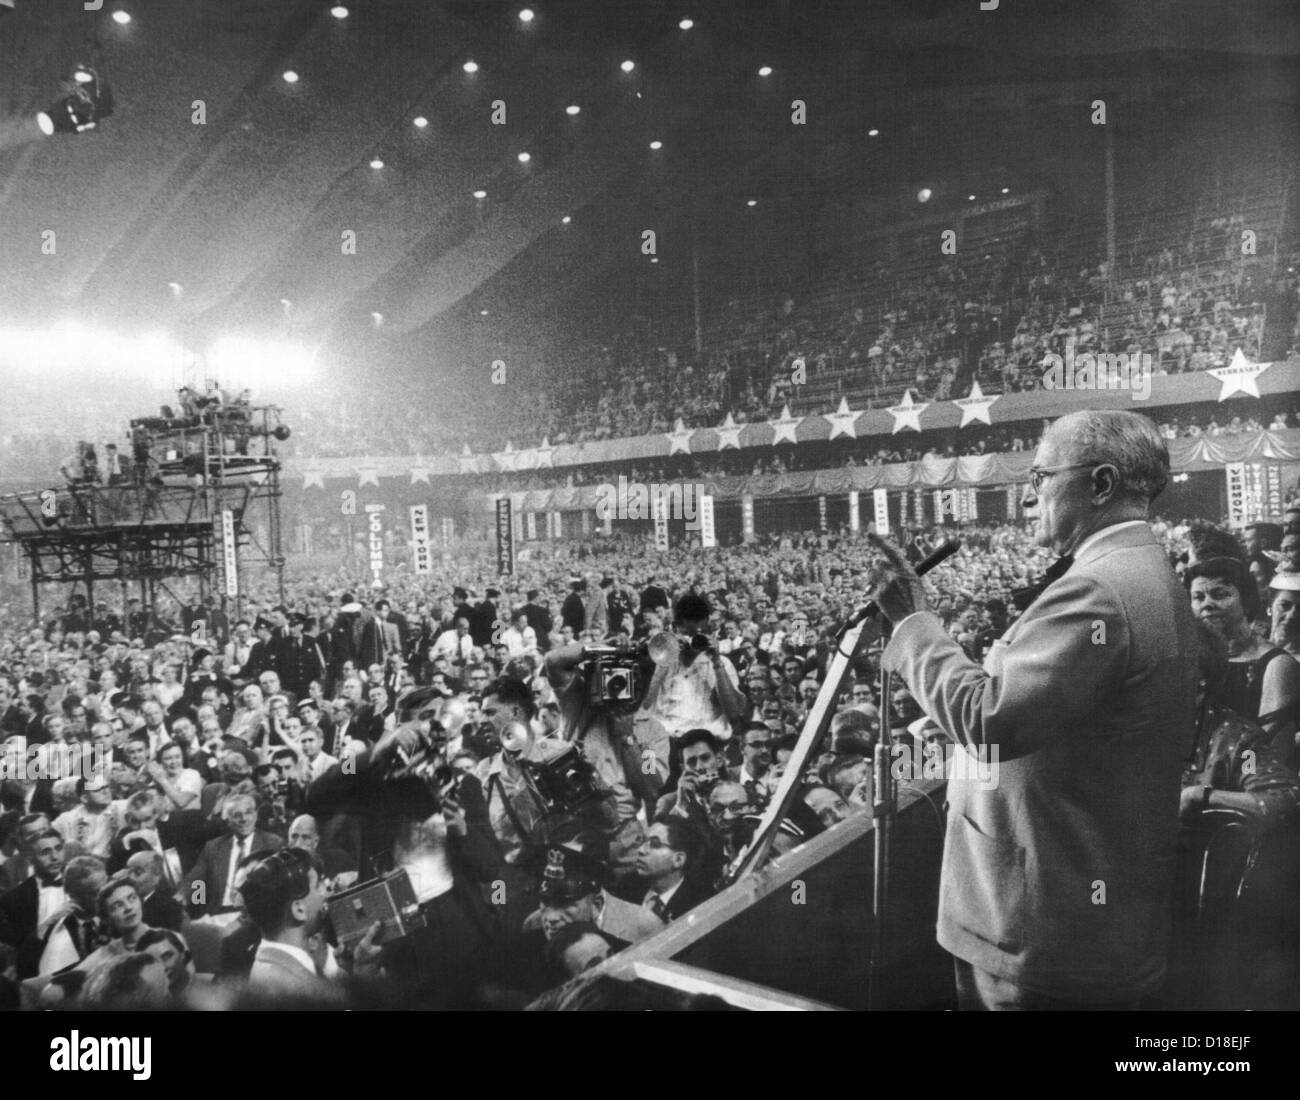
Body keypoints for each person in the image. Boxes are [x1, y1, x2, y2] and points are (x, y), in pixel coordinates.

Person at [866, 409, 1199, 1009]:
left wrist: (914, 624)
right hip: (1087, 910)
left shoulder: (1098, 589)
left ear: (1099, 484)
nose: (1029, 495)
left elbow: (990, 721)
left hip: (1044, 928)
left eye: (1042, 475)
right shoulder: (1143, 571)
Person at [1187, 556, 1300, 765]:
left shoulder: (1276, 666)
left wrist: (1210, 792)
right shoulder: (1192, 659)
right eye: (1198, 597)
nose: (1207, 604)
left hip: (1246, 786)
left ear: (1246, 600)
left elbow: (1267, 756)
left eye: (1219, 595)